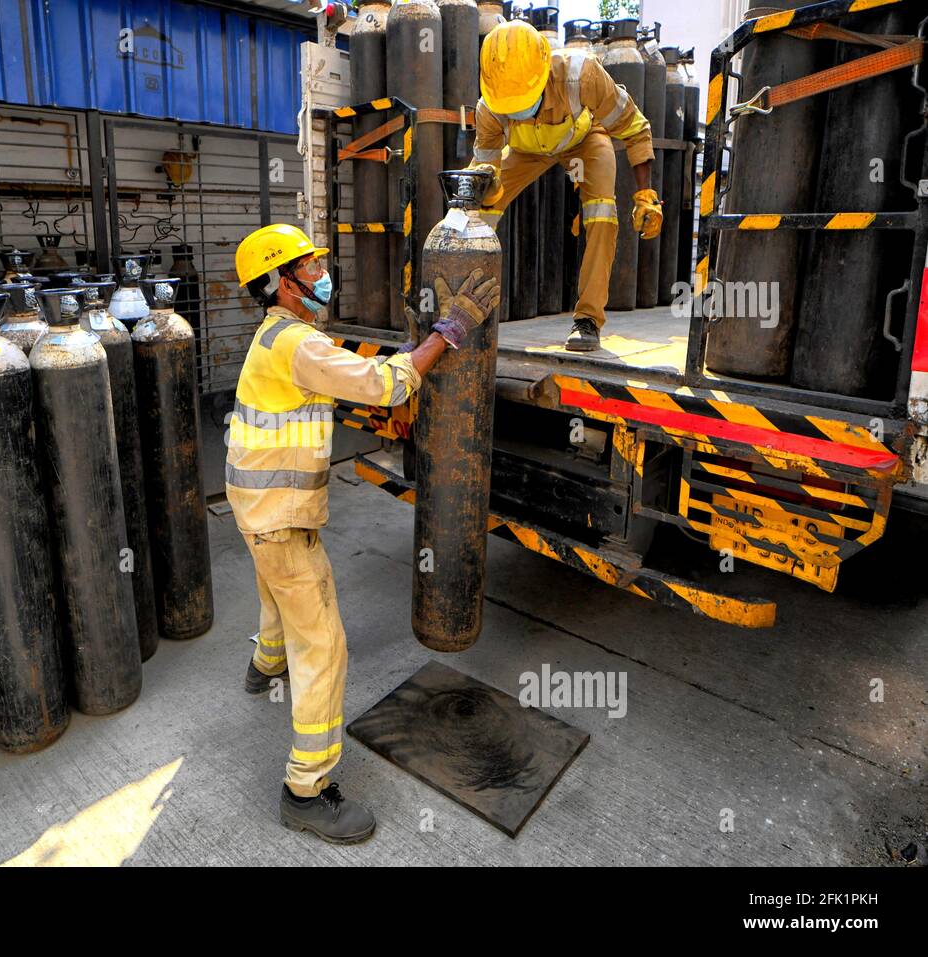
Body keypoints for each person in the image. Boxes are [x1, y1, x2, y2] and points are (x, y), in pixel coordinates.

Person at [227, 223, 499, 844]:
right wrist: (446, 333)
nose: (323, 271)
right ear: (280, 283)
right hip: (281, 518)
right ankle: (307, 788)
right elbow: (382, 386)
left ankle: (263, 666)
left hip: (254, 504)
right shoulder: (296, 343)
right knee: (322, 645)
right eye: (310, 265)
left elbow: (348, 384)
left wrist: (408, 354)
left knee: (275, 595)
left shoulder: (281, 337)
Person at [470, 18, 662, 352]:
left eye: (524, 102)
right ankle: (463, 310)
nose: (520, 112)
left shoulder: (582, 74)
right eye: (511, 108)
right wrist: (487, 198)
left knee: (602, 215)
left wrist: (645, 194)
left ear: (545, 71)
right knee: (474, 211)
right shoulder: (490, 105)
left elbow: (635, 128)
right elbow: (487, 166)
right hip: (526, 151)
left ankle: (588, 320)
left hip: (583, 140)